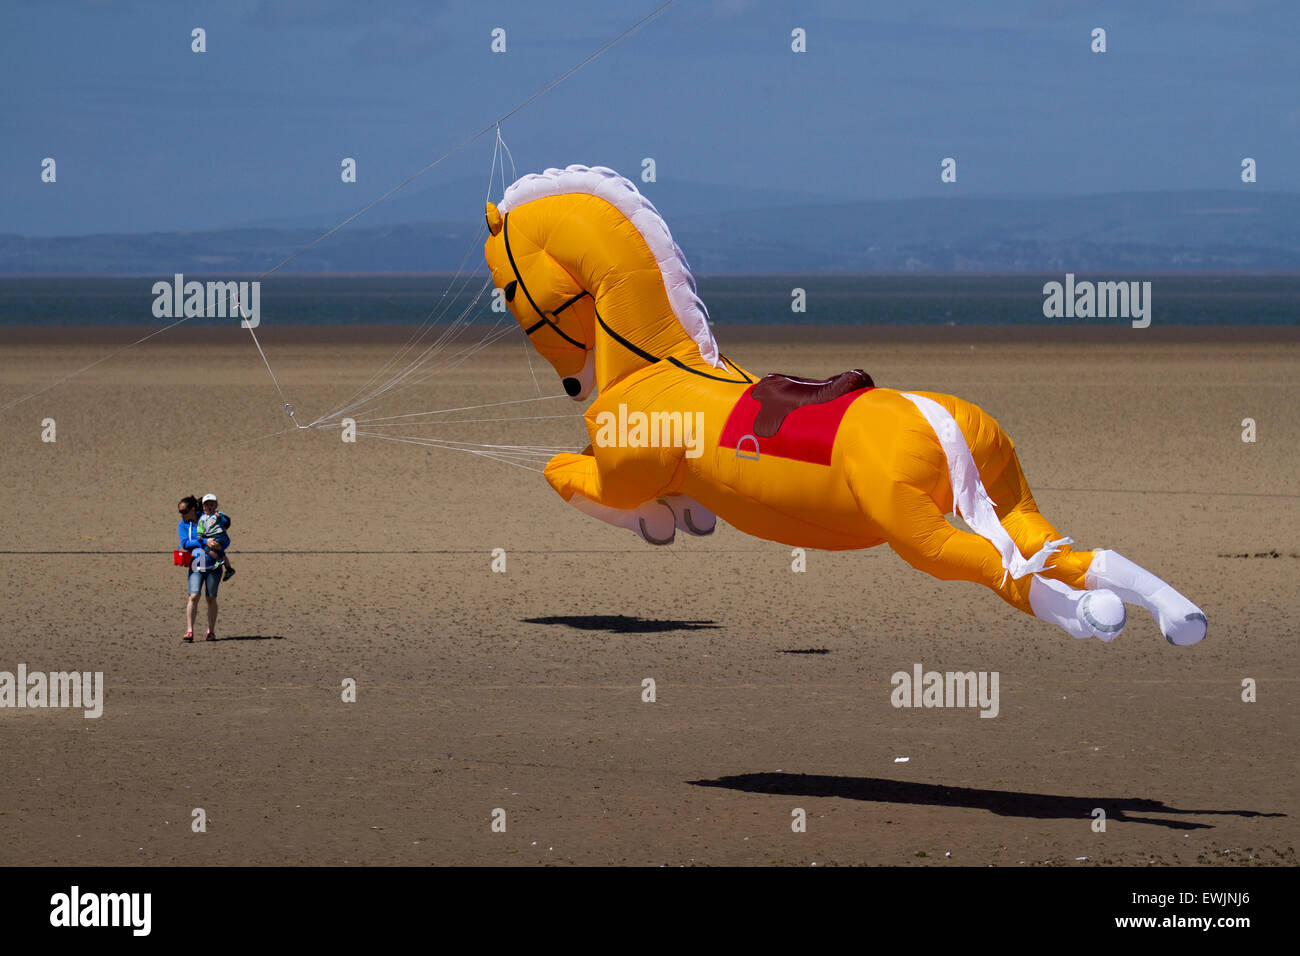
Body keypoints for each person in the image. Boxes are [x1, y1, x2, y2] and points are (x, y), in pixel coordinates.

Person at [177, 494, 221, 642]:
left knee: (211, 598)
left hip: (213, 563)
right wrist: (203, 542)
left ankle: (211, 631)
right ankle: (189, 631)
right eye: (180, 511)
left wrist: (214, 543)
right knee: (194, 596)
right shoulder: (183, 525)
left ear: (193, 509)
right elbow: (185, 543)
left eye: (184, 511)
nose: (181, 515)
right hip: (196, 563)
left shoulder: (208, 518)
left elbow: (222, 537)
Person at [197, 493, 236, 581]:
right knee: (208, 549)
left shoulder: (218, 514)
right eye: (207, 505)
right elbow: (200, 527)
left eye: (212, 504)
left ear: (216, 506)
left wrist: (220, 518)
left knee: (211, 546)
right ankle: (228, 568)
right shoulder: (202, 518)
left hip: (220, 536)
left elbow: (226, 521)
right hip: (212, 537)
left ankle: (219, 560)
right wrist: (199, 534)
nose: (209, 507)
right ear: (203, 507)